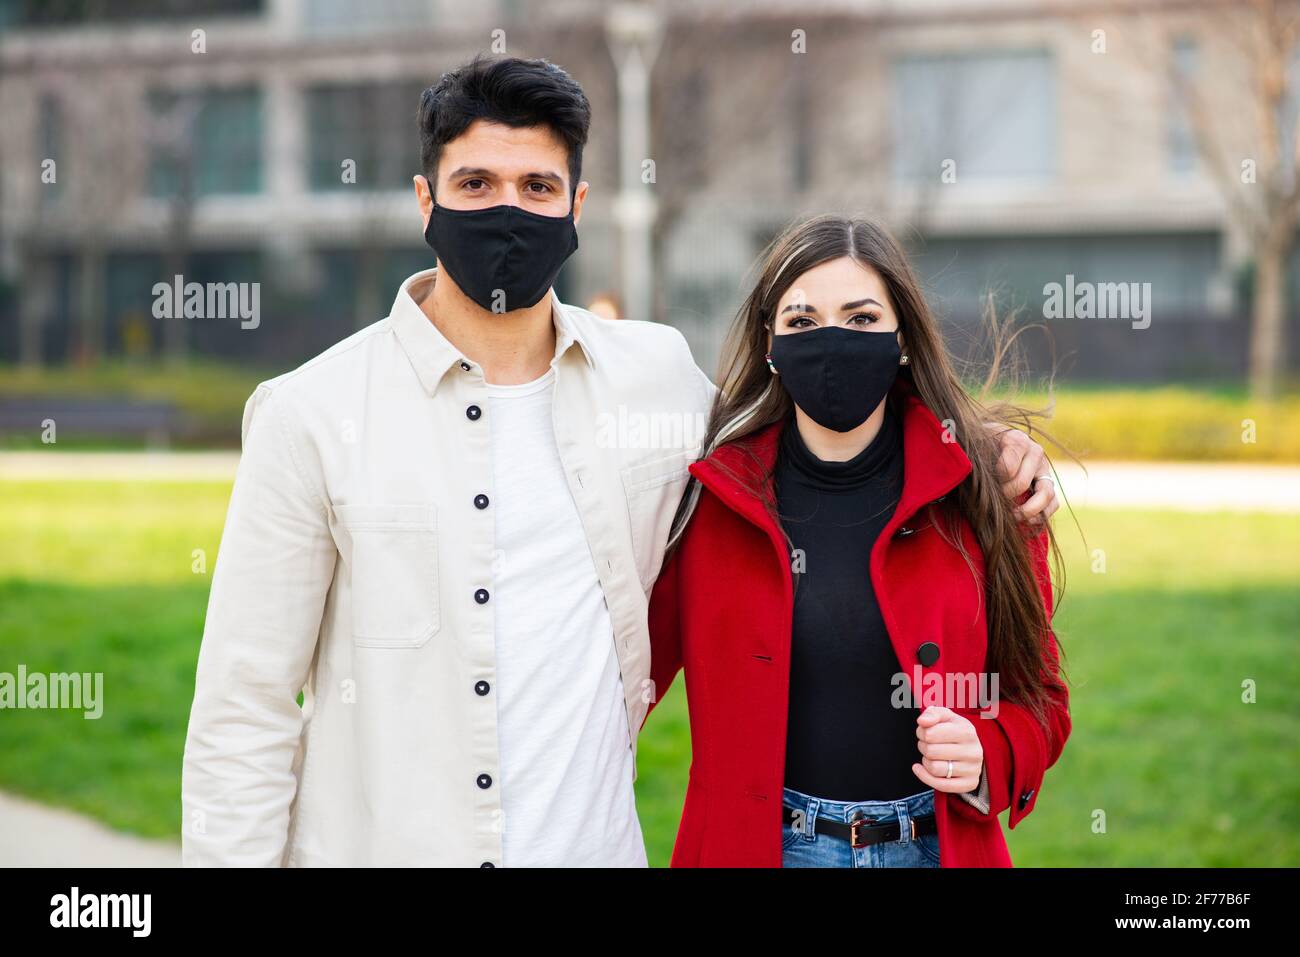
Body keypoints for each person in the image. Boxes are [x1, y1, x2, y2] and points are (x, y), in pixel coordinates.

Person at [181, 55, 1059, 867]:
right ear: (424, 199)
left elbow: (822, 426)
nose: (507, 212)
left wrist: (983, 451)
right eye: (475, 183)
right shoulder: (311, 414)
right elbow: (242, 713)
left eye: (537, 186)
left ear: (577, 204)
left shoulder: (654, 386)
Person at [643, 214, 1071, 868]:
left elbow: (1040, 700)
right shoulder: (707, 498)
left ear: (902, 339)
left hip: (932, 845)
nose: (832, 340)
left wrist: (991, 749)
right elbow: (618, 682)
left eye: (862, 318)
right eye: (803, 320)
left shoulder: (986, 492)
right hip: (762, 848)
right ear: (769, 343)